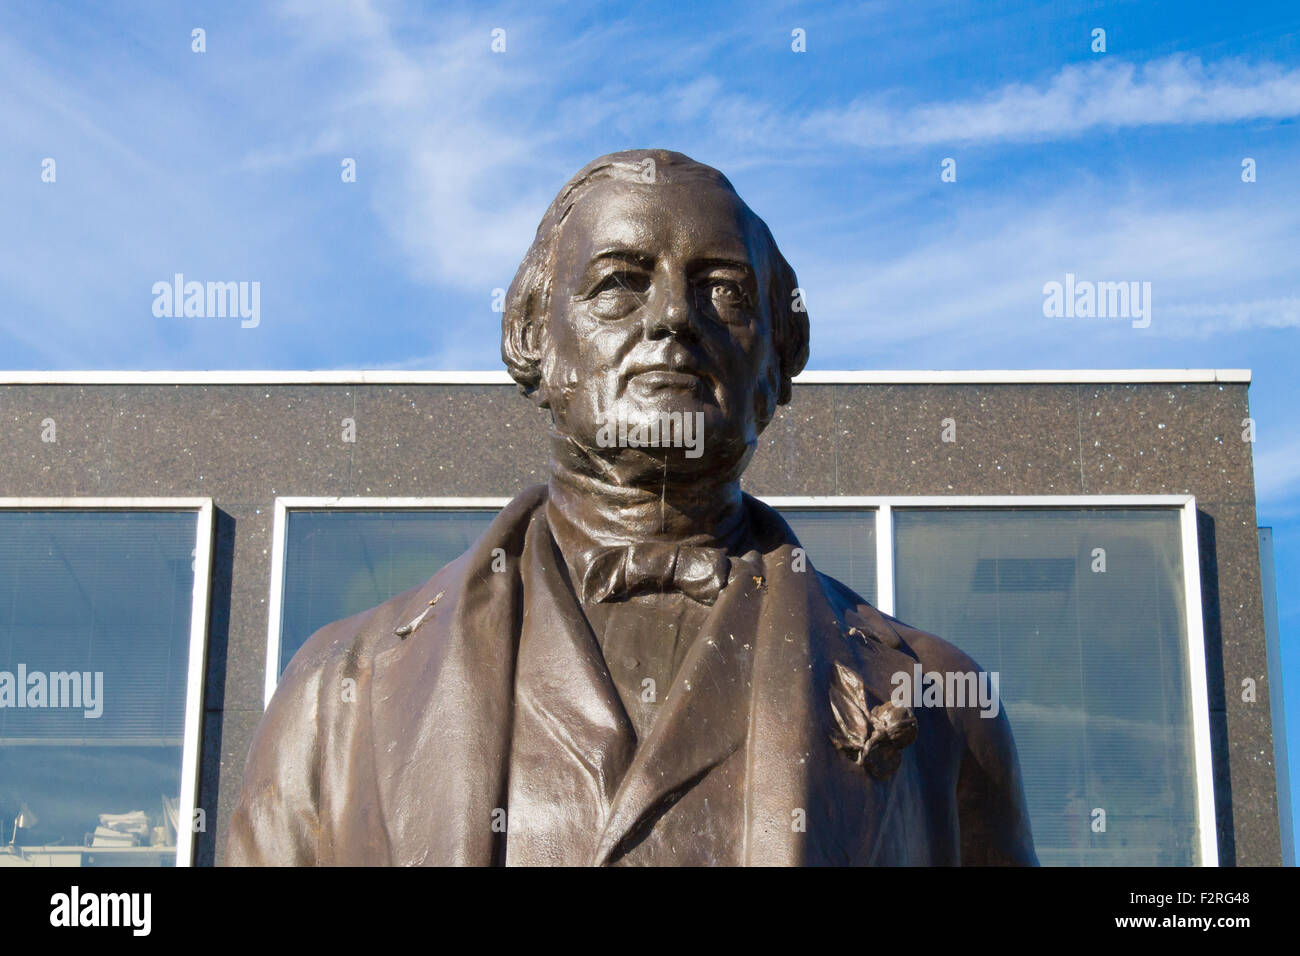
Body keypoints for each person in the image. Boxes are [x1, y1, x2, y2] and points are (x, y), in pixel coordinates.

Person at [226, 149, 1037, 866]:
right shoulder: (341, 692)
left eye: (723, 290)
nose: (674, 317)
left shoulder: (939, 701)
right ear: (532, 336)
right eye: (620, 283)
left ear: (778, 362)